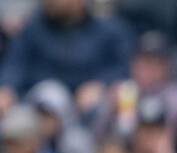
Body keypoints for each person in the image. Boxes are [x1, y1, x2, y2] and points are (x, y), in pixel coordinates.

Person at [0, 0, 133, 115]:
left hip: (87, 111)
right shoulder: (32, 29)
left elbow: (122, 67)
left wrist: (101, 84)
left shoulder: (108, 30)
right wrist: (7, 88)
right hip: (39, 107)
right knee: (49, 94)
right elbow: (15, 64)